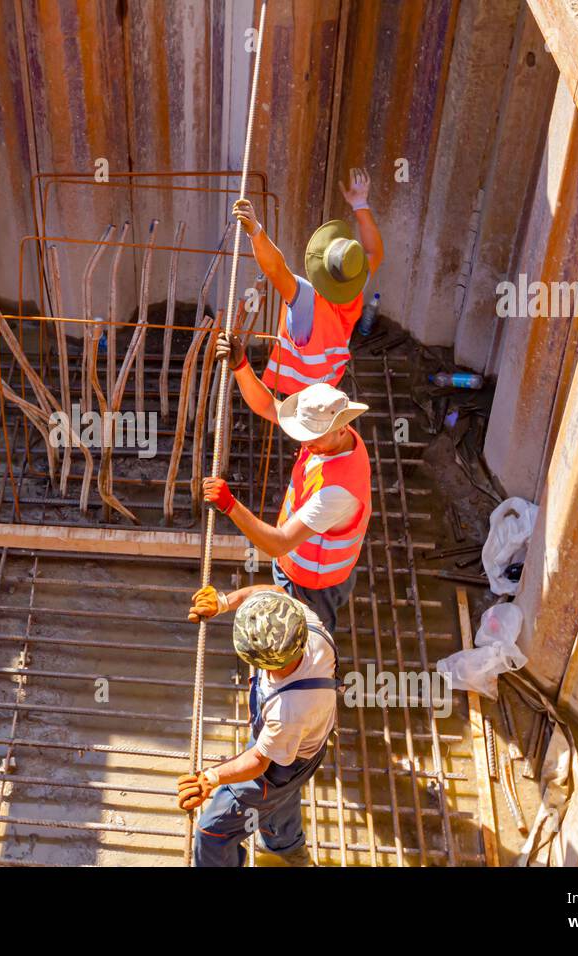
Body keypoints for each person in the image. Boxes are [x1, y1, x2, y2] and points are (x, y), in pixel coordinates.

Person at [178, 587, 341, 867]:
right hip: (308, 749)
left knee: (212, 833)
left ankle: (282, 848)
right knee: (280, 801)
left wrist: (210, 778)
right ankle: (292, 854)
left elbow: (258, 761)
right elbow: (274, 591)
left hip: (279, 765)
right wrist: (224, 602)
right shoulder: (307, 627)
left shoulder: (287, 711)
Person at [202, 380, 371, 634]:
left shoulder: (338, 492)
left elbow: (279, 543)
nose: (306, 445)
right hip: (299, 564)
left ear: (342, 428)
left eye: (313, 439)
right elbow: (269, 405)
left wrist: (229, 505)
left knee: (305, 635)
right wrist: (241, 367)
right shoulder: (334, 440)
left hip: (315, 583)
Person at [230, 168, 383, 397]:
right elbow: (375, 252)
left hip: (295, 390)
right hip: (330, 380)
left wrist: (255, 231)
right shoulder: (355, 283)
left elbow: (275, 269)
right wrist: (360, 204)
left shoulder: (306, 298)